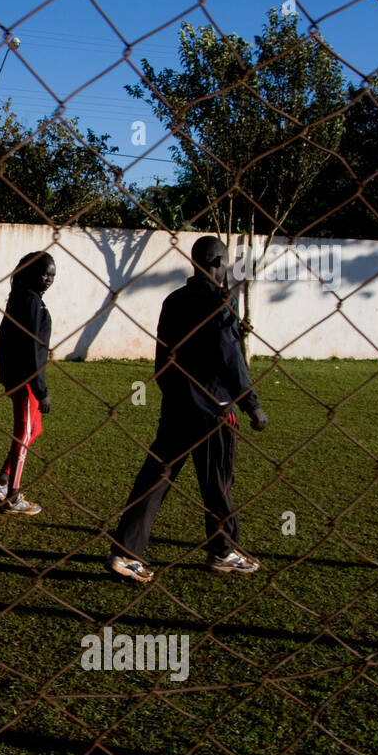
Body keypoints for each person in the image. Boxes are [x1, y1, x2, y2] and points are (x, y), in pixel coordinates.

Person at [107, 235, 269, 583]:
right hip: (214, 411)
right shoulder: (220, 304)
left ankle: (125, 552)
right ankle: (223, 550)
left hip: (178, 407)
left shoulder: (175, 300)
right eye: (224, 262)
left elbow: (164, 355)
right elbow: (232, 363)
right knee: (217, 483)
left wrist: (174, 391)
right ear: (216, 263)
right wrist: (253, 406)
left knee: (156, 478)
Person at [0, 251, 55, 516]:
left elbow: (2, 340)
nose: (49, 279)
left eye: (52, 274)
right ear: (29, 273)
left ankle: (2, 481)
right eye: (44, 273)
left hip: (17, 377)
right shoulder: (30, 302)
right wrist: (42, 389)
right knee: (25, 433)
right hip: (26, 380)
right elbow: (34, 349)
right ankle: (12, 497)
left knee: (33, 430)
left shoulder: (22, 299)